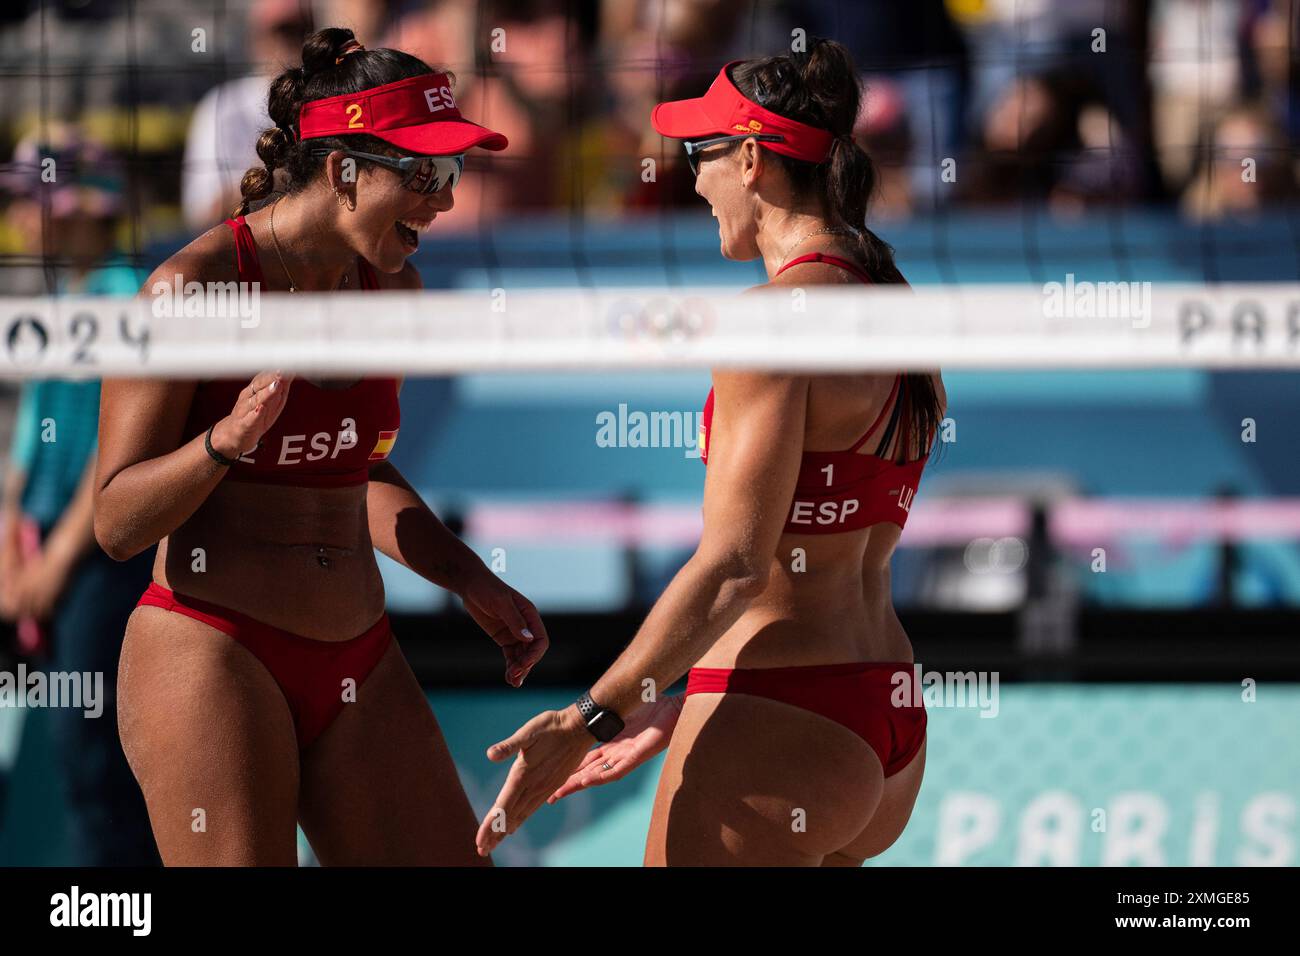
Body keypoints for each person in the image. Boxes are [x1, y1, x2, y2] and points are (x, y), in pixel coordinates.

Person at [475, 40, 946, 866]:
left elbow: (734, 564)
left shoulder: (772, 318)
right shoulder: (891, 301)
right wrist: (672, 700)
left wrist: (592, 714)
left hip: (782, 707)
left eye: (702, 154)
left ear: (755, 159)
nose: (693, 180)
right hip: (884, 711)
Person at [95, 27, 546, 866]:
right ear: (344, 170)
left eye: (452, 174)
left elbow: (354, 464)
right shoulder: (192, 290)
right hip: (213, 649)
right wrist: (221, 445)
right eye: (424, 175)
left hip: (359, 653)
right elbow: (117, 521)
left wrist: (466, 575)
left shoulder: (393, 289)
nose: (443, 201)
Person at [0, 128, 159, 865]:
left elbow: (114, 450)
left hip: (103, 559)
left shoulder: (127, 295)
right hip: (51, 560)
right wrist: (11, 538)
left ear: (82, 207)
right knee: (78, 756)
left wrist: (55, 560)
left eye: (36, 199)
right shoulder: (66, 296)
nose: (24, 215)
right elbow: (33, 434)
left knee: (98, 756)